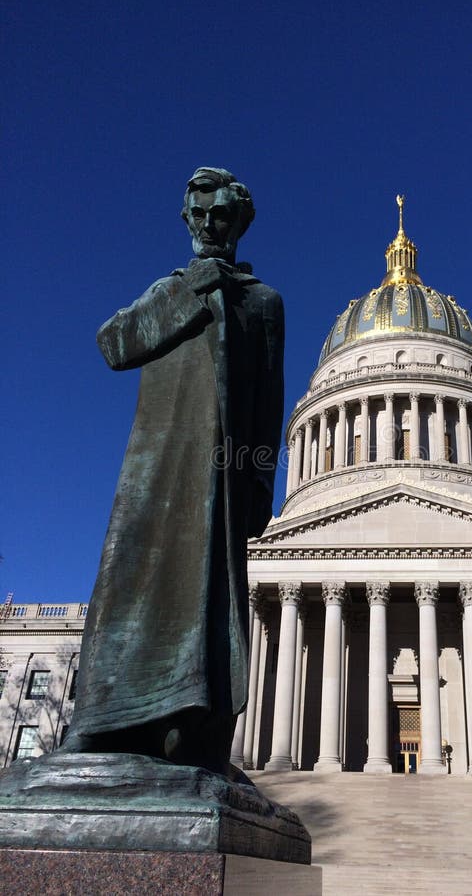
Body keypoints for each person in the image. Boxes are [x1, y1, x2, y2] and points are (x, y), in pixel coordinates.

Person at [62, 167, 284, 774]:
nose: (210, 225)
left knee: (208, 604)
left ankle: (190, 733)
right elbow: (115, 345)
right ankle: (101, 720)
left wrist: (260, 480)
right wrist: (189, 290)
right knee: (129, 585)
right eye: (201, 214)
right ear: (187, 220)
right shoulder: (170, 288)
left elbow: (268, 403)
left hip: (221, 475)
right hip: (156, 469)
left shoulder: (262, 302)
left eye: (222, 216)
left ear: (238, 224)